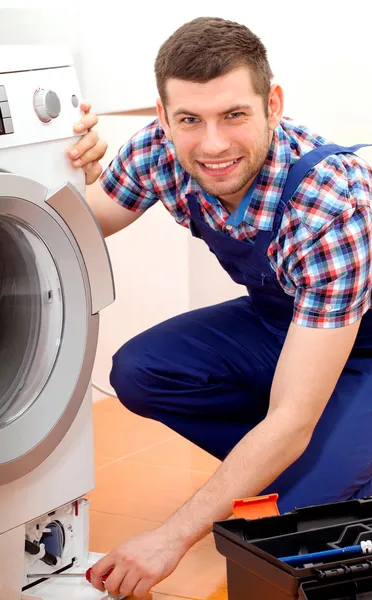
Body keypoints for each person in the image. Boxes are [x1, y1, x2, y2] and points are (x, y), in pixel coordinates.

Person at [68, 16, 372, 599]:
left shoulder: (328, 203)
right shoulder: (161, 150)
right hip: (281, 322)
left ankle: (332, 465)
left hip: (363, 346)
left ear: (272, 104)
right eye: (190, 119)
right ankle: (308, 461)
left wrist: (173, 535)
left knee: (290, 521)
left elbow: (291, 416)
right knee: (142, 370)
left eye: (233, 115)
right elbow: (80, 222)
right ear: (164, 117)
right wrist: (61, 166)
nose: (212, 144)